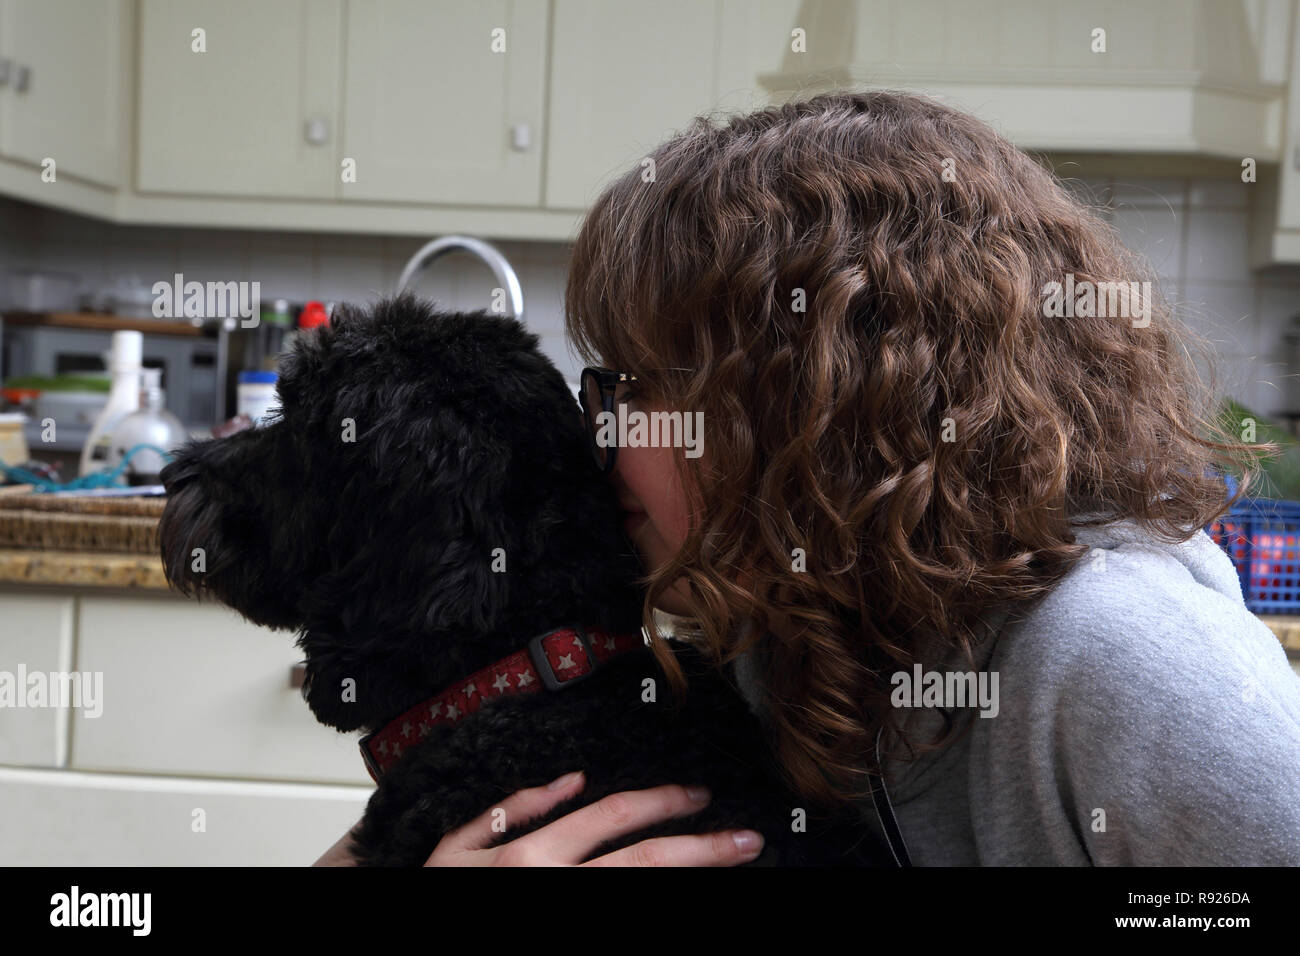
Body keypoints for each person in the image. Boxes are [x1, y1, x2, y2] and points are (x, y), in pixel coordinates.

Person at [317, 89, 1300, 867]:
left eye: (631, 387)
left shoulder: (1123, 660)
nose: (599, 435)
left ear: (808, 409)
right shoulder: (777, 611)